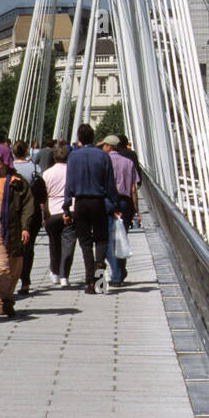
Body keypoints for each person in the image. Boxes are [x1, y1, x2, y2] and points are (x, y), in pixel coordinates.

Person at [63, 124, 118, 294]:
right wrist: (114, 203)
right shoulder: (103, 156)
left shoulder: (73, 157)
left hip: (80, 203)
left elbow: (69, 182)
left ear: (79, 138)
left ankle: (89, 282)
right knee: (101, 240)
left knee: (85, 244)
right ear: (93, 137)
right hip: (98, 202)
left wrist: (66, 205)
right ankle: (100, 276)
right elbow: (110, 183)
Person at [0, 145, 34, 318]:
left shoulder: (18, 182)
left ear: (5, 160)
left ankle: (8, 299)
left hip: (14, 228)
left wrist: (26, 227)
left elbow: (28, 205)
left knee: (15, 266)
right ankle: (0, 299)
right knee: (1, 267)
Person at [101, 134, 140, 284]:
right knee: (122, 236)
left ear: (109, 146)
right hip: (126, 202)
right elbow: (133, 188)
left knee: (110, 239)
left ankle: (117, 274)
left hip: (110, 201)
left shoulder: (105, 161)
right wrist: (136, 208)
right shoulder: (128, 162)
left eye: (105, 145)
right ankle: (121, 269)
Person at [10, 141, 44, 297]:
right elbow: (42, 190)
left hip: (14, 212)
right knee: (28, 248)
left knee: (12, 247)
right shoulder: (36, 169)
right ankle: (26, 281)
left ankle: (11, 279)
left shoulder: (10, 169)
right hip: (33, 211)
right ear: (26, 152)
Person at [42, 142, 77, 285]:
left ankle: (54, 271)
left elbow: (44, 195)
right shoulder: (73, 172)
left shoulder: (46, 174)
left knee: (54, 244)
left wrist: (44, 214)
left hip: (52, 211)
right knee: (68, 244)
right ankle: (64, 275)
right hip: (69, 211)